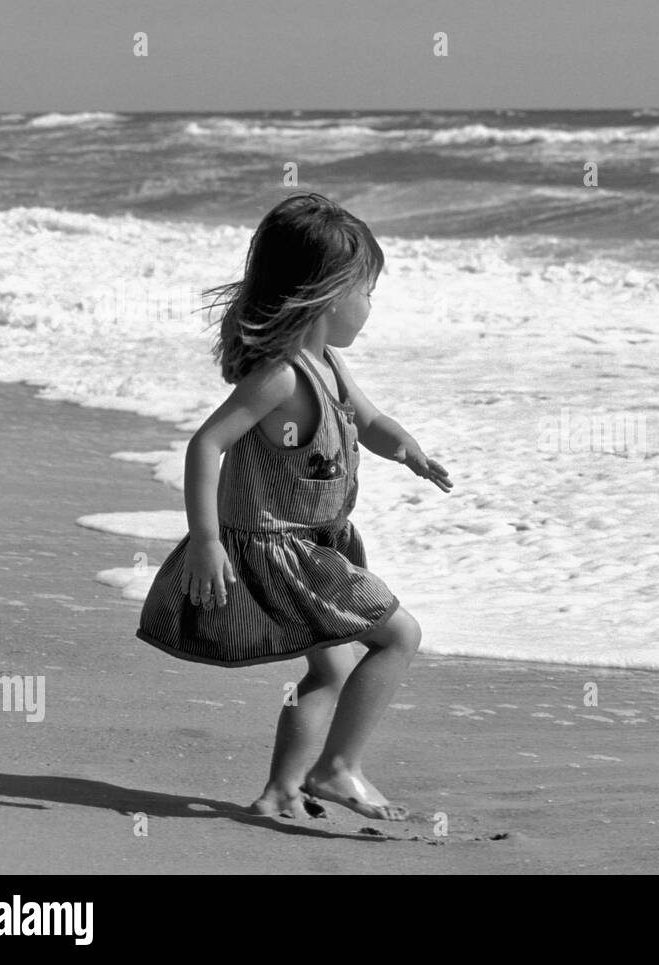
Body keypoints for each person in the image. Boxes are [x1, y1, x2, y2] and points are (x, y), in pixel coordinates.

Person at [136, 193, 452, 823]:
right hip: (282, 549)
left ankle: (282, 789)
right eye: (367, 292)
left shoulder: (327, 364)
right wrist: (206, 541)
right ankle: (337, 769)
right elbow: (207, 445)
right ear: (329, 295)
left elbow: (367, 420)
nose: (370, 307)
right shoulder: (282, 377)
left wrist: (406, 448)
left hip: (319, 542)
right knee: (400, 635)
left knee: (332, 665)